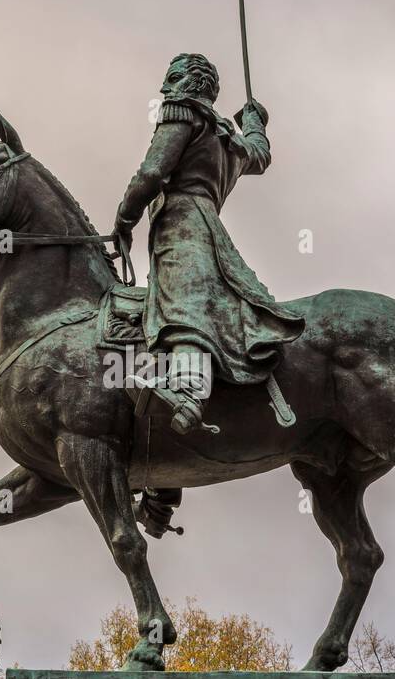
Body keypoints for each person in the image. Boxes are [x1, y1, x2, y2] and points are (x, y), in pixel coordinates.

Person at [113, 52, 304, 436]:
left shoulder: (182, 112)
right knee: (186, 299)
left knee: (185, 304)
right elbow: (260, 156)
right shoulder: (230, 140)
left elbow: (152, 171)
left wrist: (124, 217)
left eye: (171, 77)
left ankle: (189, 391)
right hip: (209, 223)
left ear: (184, 82)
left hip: (181, 222)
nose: (166, 85)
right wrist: (254, 123)